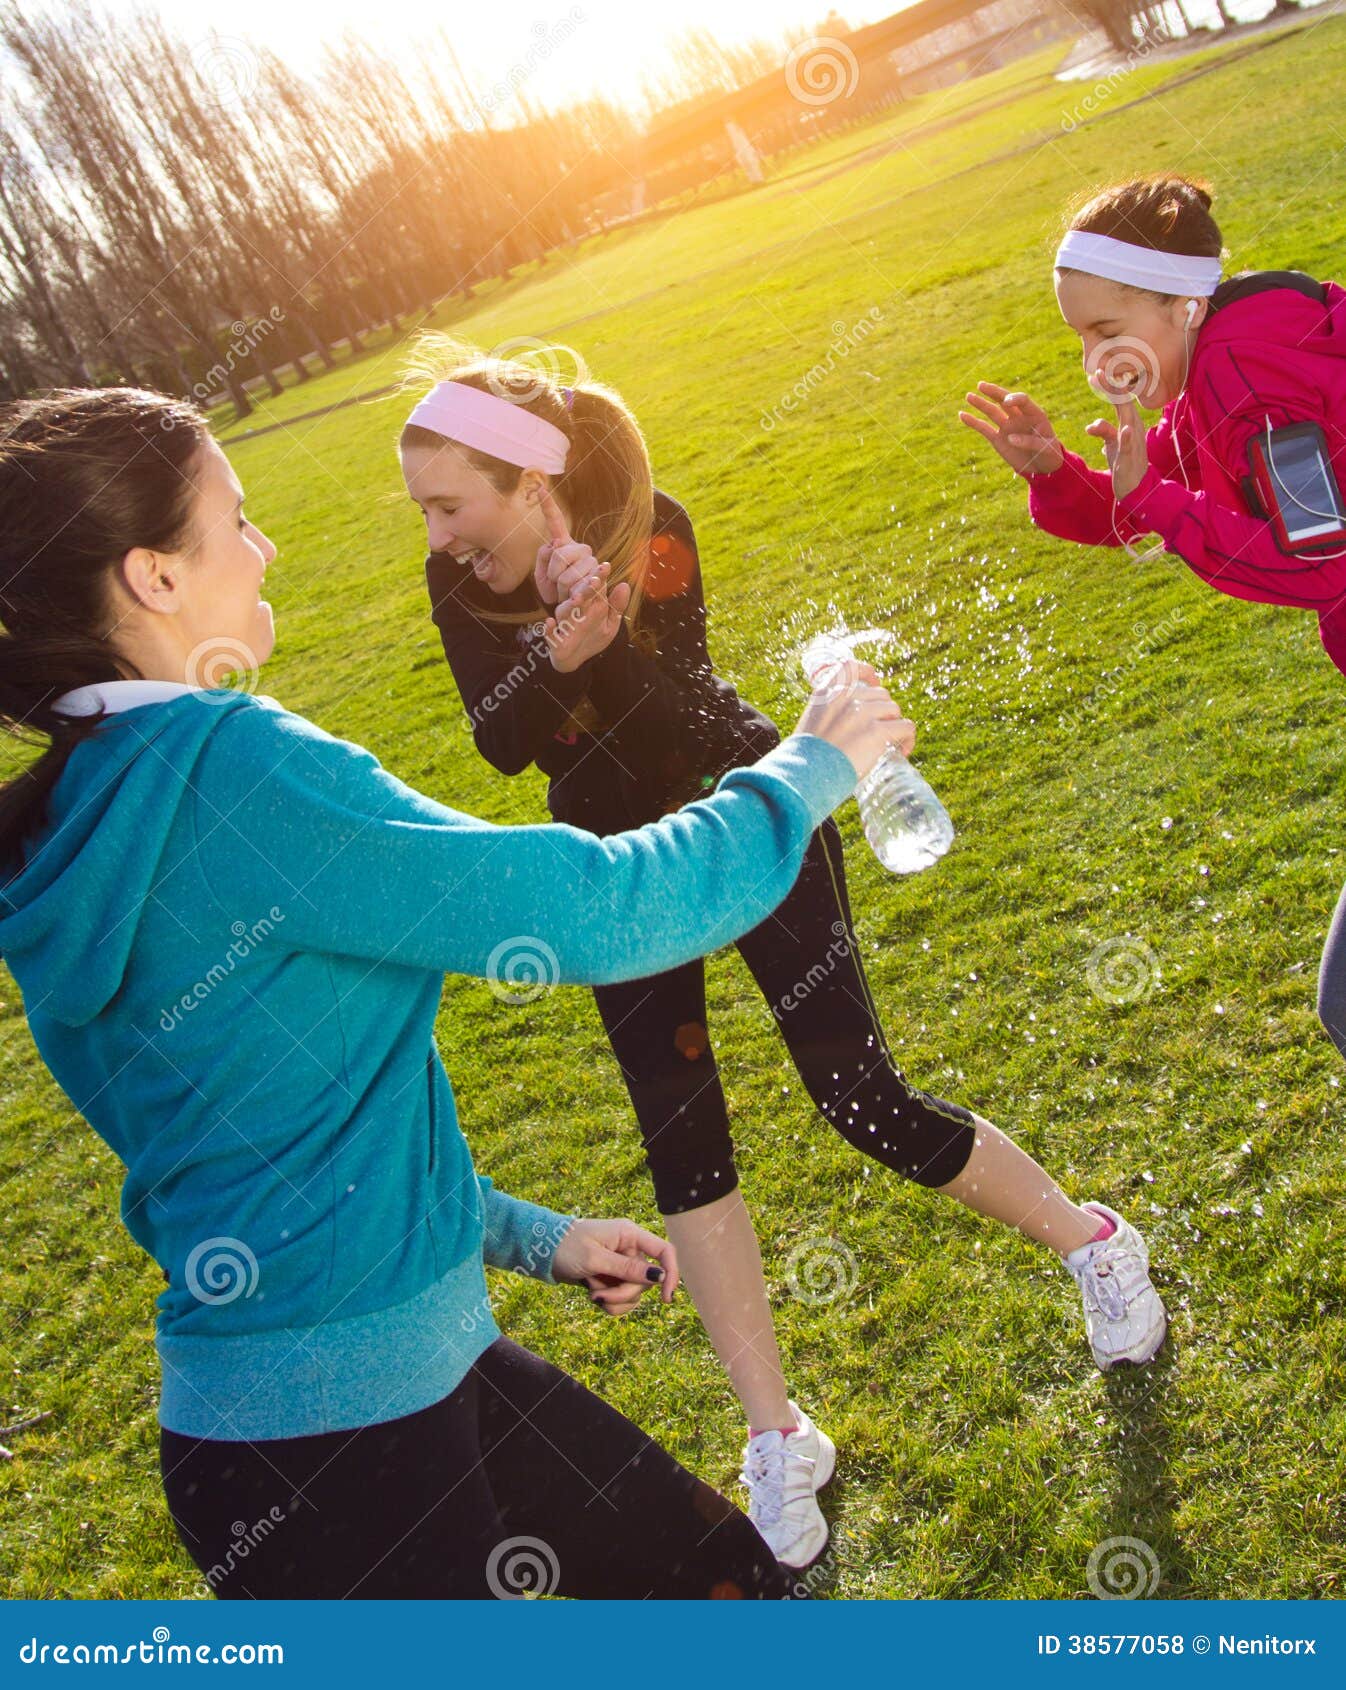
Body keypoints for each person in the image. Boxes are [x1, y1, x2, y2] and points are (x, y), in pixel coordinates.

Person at [0, 386, 914, 1600]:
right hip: (340, 1451)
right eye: (237, 519)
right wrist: (804, 769)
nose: (266, 549)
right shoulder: (235, 772)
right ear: (154, 577)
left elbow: (279, 1137)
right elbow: (593, 910)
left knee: (728, 1584)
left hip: (340, 1402)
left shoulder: (66, 820)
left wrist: (533, 1237)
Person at [403, 340, 1168, 1569]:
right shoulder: (460, 583)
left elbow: (681, 717)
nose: (438, 535)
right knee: (683, 1143)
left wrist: (605, 645)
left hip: (749, 814)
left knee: (857, 1095)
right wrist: (555, 651)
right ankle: (778, 1437)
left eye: (449, 505)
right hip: (617, 874)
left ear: (526, 482)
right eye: (425, 512)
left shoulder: (653, 523)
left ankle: (1093, 1242)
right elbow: (505, 745)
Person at [958, 172, 1346, 1065]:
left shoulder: (1248, 373)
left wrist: (1159, 502)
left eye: (1107, 330)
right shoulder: (1213, 365)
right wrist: (1054, 469)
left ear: (1182, 301)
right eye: (1081, 338)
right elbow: (1144, 497)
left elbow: (1319, 562)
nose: (1096, 358)